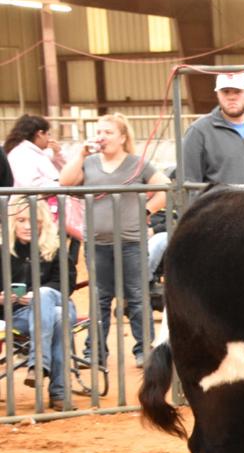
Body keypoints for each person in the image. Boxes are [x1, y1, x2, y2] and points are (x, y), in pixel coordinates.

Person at [59, 113, 168, 369]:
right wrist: (80, 154)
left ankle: (145, 351)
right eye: (99, 131)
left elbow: (165, 185)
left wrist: (147, 210)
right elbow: (65, 181)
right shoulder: (90, 162)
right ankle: (94, 353)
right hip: (98, 242)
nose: (101, 136)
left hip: (131, 241)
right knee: (100, 298)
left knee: (137, 296)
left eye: (108, 132)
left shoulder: (136, 163)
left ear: (122, 137)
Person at [6, 196, 77, 410]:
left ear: (43, 222)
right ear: (12, 222)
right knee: (56, 317)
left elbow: (67, 285)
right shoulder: (2, 250)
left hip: (57, 301)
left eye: (34, 221)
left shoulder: (55, 248)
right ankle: (59, 393)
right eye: (21, 220)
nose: (28, 226)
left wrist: (36, 296)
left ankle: (38, 364)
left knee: (44, 293)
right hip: (17, 314)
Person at [4, 115, 66, 218]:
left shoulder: (37, 153)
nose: (49, 138)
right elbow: (30, 184)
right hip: (27, 210)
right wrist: (60, 185)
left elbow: (66, 170)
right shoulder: (21, 154)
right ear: (40, 134)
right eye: (48, 134)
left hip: (38, 208)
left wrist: (58, 153)